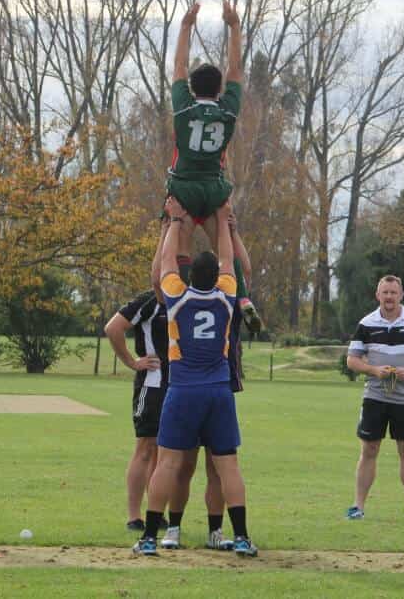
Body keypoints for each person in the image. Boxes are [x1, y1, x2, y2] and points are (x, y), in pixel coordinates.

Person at [132, 198, 256, 557]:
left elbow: (165, 266)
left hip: (183, 391)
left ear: (190, 277)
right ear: (217, 276)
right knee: (227, 465)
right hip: (219, 390)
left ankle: (150, 537)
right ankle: (243, 538)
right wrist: (222, 220)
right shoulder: (226, 297)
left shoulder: (177, 299)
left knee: (168, 463)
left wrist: (174, 222)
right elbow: (230, 261)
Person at [168, 1, 261, 333]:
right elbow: (236, 68)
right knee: (225, 245)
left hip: (183, 186)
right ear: (220, 88)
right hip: (214, 186)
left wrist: (185, 27)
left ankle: (179, 301)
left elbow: (179, 64)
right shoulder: (228, 110)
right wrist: (235, 27)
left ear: (191, 88)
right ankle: (244, 298)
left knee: (179, 245)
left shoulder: (183, 108)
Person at [345, 276, 404, 520]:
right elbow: (351, 359)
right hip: (374, 397)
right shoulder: (367, 323)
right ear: (378, 295)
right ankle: (358, 507)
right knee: (369, 449)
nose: (389, 297)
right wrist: (374, 371)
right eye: (385, 292)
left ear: (401, 295)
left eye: (393, 292)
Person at [105, 220, 172, 533]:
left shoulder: (181, 300)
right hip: (152, 384)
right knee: (145, 448)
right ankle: (134, 516)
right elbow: (112, 328)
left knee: (164, 451)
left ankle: (156, 512)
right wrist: (132, 362)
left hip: (177, 387)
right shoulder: (149, 301)